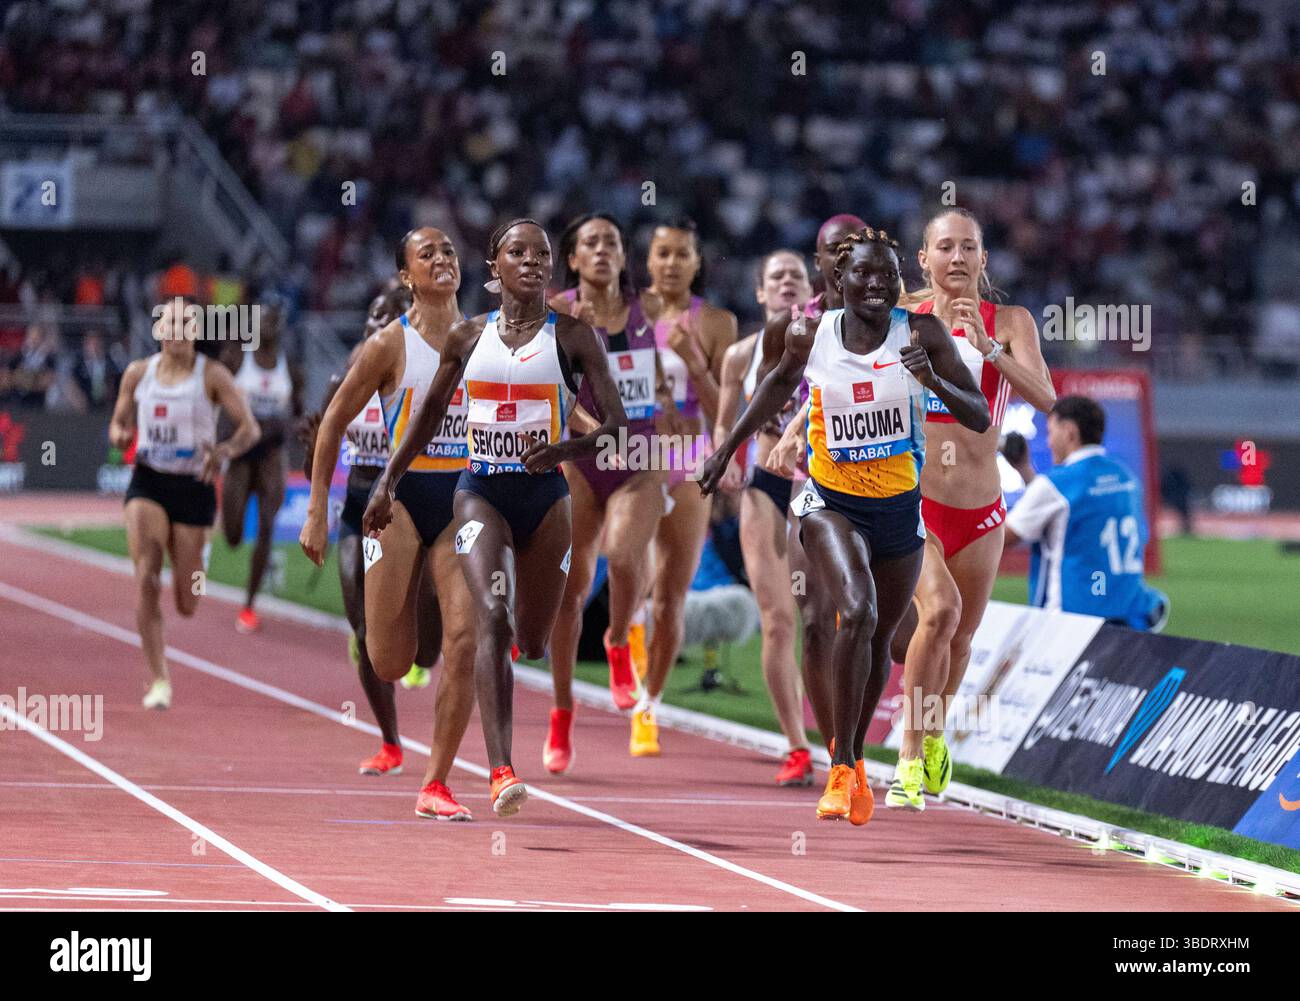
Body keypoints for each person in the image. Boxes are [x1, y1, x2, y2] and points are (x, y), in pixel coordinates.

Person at [699, 226, 990, 824]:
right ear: (838, 279)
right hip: (828, 502)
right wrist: (728, 447)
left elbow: (979, 414)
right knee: (851, 609)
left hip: (898, 511)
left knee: (880, 639)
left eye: (888, 275)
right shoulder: (810, 332)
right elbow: (777, 383)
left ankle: (855, 766)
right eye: (863, 273)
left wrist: (932, 379)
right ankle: (843, 763)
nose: (877, 284)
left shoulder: (923, 333)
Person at [363, 219, 627, 818]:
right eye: (517, 252)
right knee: (492, 616)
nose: (531, 261)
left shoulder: (576, 338)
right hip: (478, 493)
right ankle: (501, 769)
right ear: (494, 269)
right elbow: (427, 419)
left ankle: (503, 667)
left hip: (546, 501)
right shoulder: (466, 338)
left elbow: (616, 428)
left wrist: (563, 451)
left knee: (530, 638)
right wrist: (388, 481)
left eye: (541, 254)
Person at [300, 228, 479, 821]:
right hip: (395, 502)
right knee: (388, 661)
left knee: (463, 642)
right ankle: (418, 601)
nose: (441, 260)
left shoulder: (488, 339)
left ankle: (436, 783)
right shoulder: (387, 345)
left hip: (463, 498)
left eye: (449, 251)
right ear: (406, 276)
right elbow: (330, 425)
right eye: (426, 254)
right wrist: (317, 513)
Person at [883, 207, 1057, 810]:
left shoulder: (1008, 320)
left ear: (984, 260)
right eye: (945, 247)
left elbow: (1046, 397)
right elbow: (841, 378)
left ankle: (932, 735)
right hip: (915, 501)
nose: (957, 258)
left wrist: (992, 351)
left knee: (960, 639)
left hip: (983, 507)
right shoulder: (899, 317)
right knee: (939, 615)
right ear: (923, 258)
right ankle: (907, 753)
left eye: (969, 248)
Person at [543, 213, 682, 773]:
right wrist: (590, 432)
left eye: (612, 242)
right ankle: (560, 714)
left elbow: (660, 376)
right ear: (573, 259)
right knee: (567, 592)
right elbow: (548, 388)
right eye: (590, 244)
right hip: (582, 459)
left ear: (624, 256)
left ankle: (619, 641)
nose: (602, 250)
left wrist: (669, 400)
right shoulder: (556, 313)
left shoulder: (649, 310)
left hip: (641, 458)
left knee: (624, 555)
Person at [299, 283, 444, 779]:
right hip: (357, 503)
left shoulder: (417, 373)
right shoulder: (347, 376)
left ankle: (419, 649)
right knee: (360, 628)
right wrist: (311, 469)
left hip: (405, 504)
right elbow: (323, 434)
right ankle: (390, 742)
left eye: (388, 316)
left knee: (426, 644)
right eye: (371, 316)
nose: (376, 324)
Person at [108, 297, 260, 708]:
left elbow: (250, 429)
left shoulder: (212, 376)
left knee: (187, 603)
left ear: (197, 330)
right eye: (169, 322)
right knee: (145, 576)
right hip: (149, 482)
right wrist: (120, 435)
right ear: (158, 330)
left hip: (194, 487)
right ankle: (159, 679)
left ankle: (199, 555)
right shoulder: (138, 374)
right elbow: (118, 424)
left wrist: (225, 451)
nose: (176, 328)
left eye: (186, 322)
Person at [631, 218, 738, 757]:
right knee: (631, 578)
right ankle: (622, 647)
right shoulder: (623, 314)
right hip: (631, 459)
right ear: (648, 262)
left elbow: (727, 413)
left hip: (690, 461)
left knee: (670, 595)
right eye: (662, 253)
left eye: (682, 254)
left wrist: (695, 364)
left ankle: (649, 705)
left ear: (697, 262)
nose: (671, 263)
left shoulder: (717, 323)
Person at [761, 214, 867, 748]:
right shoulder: (794, 327)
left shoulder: (896, 317)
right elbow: (767, 394)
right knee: (817, 619)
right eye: (835, 251)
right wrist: (775, 432)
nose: (846, 259)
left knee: (888, 626)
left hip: (889, 483)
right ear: (818, 262)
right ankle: (840, 757)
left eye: (857, 248)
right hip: (815, 484)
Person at [714, 249, 816, 785]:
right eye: (775, 277)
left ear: (810, 288)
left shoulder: (834, 342)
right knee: (778, 620)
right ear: (759, 293)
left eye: (795, 277)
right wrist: (727, 461)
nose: (785, 284)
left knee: (824, 617)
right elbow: (723, 426)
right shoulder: (740, 356)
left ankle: (844, 744)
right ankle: (797, 746)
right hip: (766, 486)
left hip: (824, 484)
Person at [1003, 395, 1169, 631]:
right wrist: (1024, 470)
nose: (1048, 442)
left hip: (1071, 623)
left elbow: (1003, 538)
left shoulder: (1058, 484)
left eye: (1051, 432)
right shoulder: (1127, 478)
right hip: (1128, 619)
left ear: (1069, 431)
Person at [221, 305, 305, 632]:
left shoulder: (291, 369)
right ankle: (233, 537)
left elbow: (298, 411)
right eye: (262, 320)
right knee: (232, 534)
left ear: (280, 327)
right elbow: (216, 395)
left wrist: (292, 428)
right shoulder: (237, 359)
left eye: (273, 320)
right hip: (241, 454)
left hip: (272, 454)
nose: (268, 325)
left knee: (268, 525)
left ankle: (249, 606)